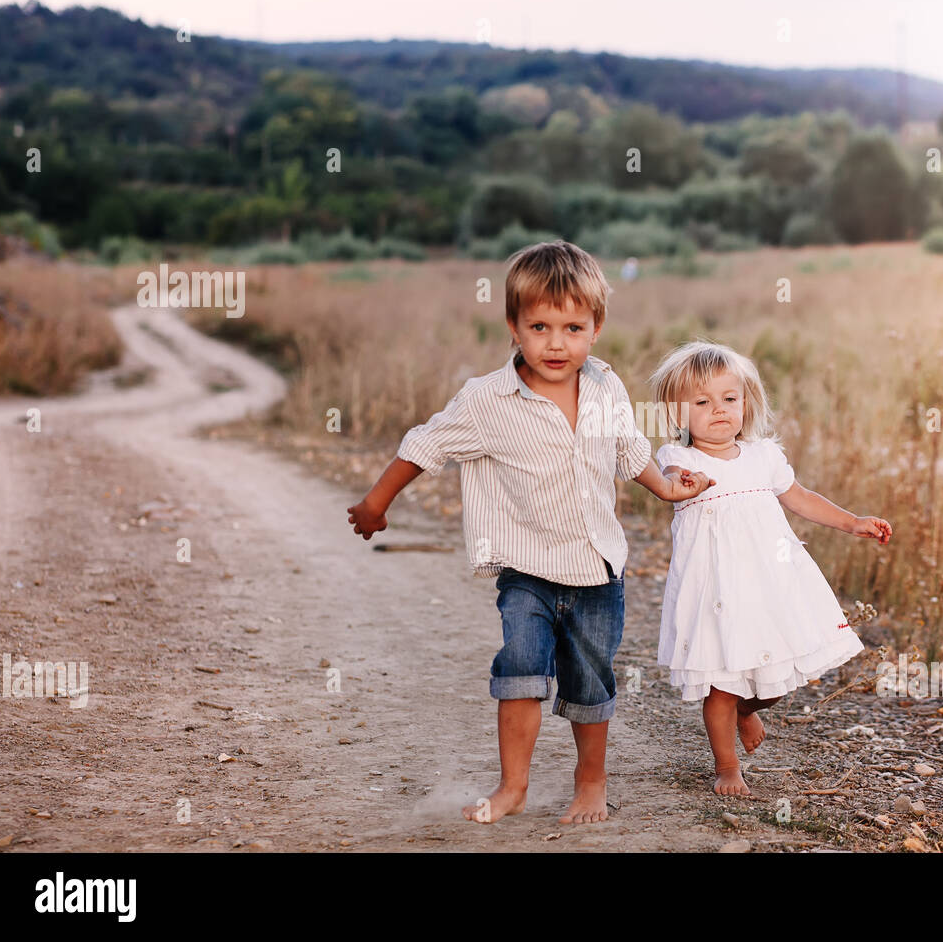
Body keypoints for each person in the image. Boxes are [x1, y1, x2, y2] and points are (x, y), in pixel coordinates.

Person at [347, 241, 712, 824]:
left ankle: (590, 780)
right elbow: (426, 444)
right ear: (513, 326)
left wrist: (667, 485)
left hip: (597, 571)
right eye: (539, 326)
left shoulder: (604, 389)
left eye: (573, 327)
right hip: (528, 572)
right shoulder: (487, 399)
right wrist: (375, 503)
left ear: (596, 329)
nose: (556, 343)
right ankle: (512, 786)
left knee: (590, 682)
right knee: (518, 666)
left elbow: (630, 451)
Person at [648, 340, 892, 796]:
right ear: (678, 414)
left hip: (770, 585)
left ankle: (748, 708)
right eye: (702, 402)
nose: (718, 410)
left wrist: (852, 522)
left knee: (782, 670)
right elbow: (670, 483)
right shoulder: (679, 459)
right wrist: (689, 483)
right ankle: (726, 766)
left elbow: (801, 499)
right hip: (717, 592)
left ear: (746, 402)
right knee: (721, 682)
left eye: (729, 398)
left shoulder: (763, 456)